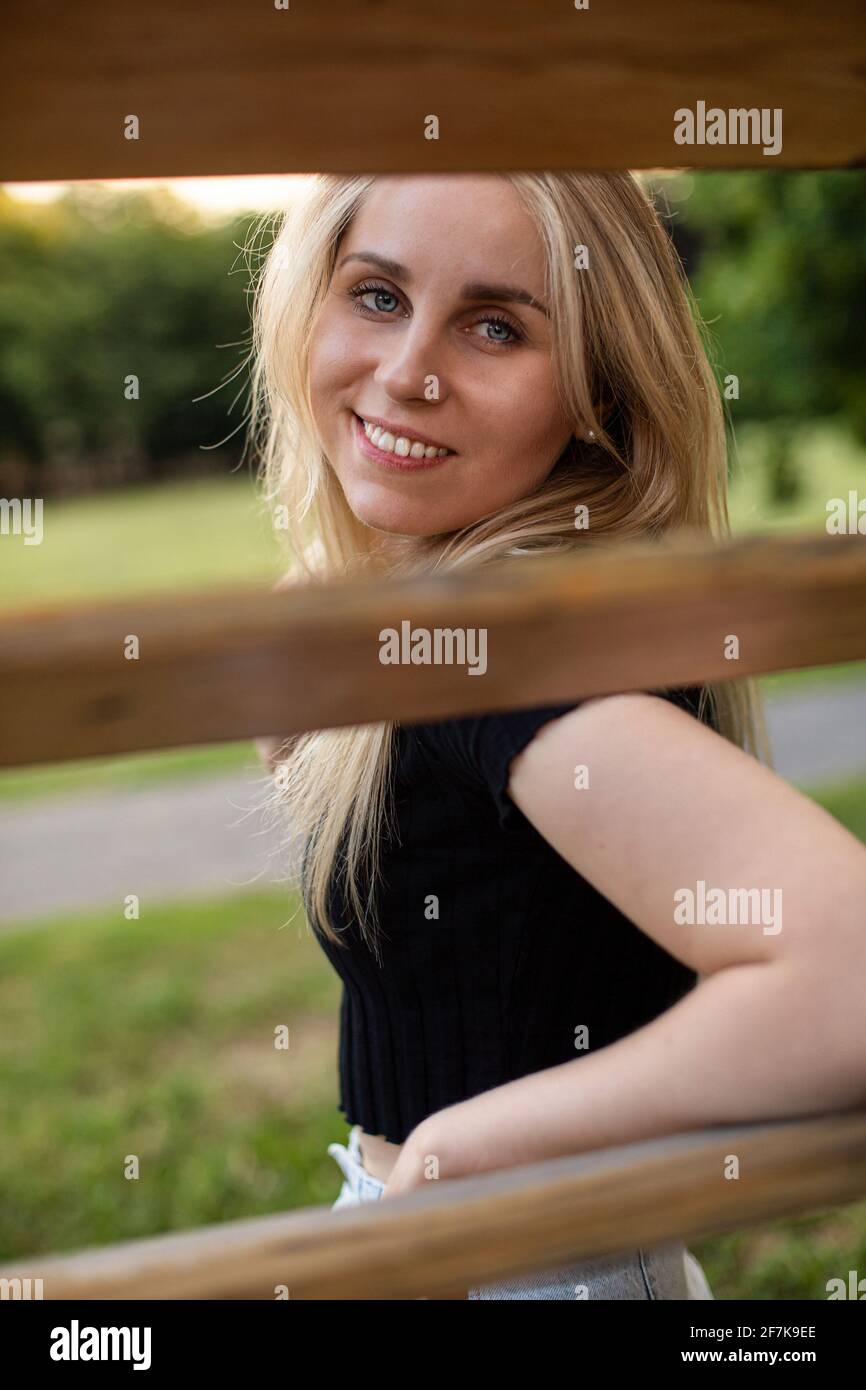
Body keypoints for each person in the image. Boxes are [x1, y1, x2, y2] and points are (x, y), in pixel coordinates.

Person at [250, 171, 866, 1299]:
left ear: (596, 391)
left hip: (525, 1269)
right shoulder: (436, 615)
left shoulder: (504, 663)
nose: (405, 372)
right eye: (376, 296)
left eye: (494, 326)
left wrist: (458, 1151)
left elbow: (848, 972)